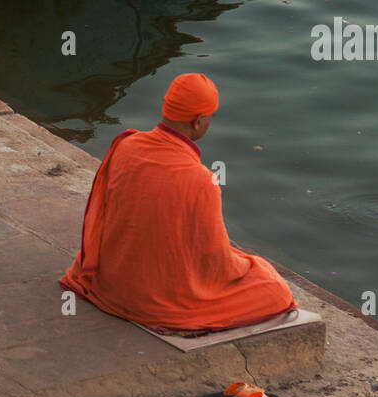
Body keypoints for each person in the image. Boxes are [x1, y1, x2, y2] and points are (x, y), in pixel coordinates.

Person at [61, 72, 296, 332]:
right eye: (210, 118)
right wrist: (250, 267)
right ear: (199, 122)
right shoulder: (201, 180)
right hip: (153, 304)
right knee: (274, 290)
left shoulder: (125, 145)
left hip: (110, 284)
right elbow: (215, 262)